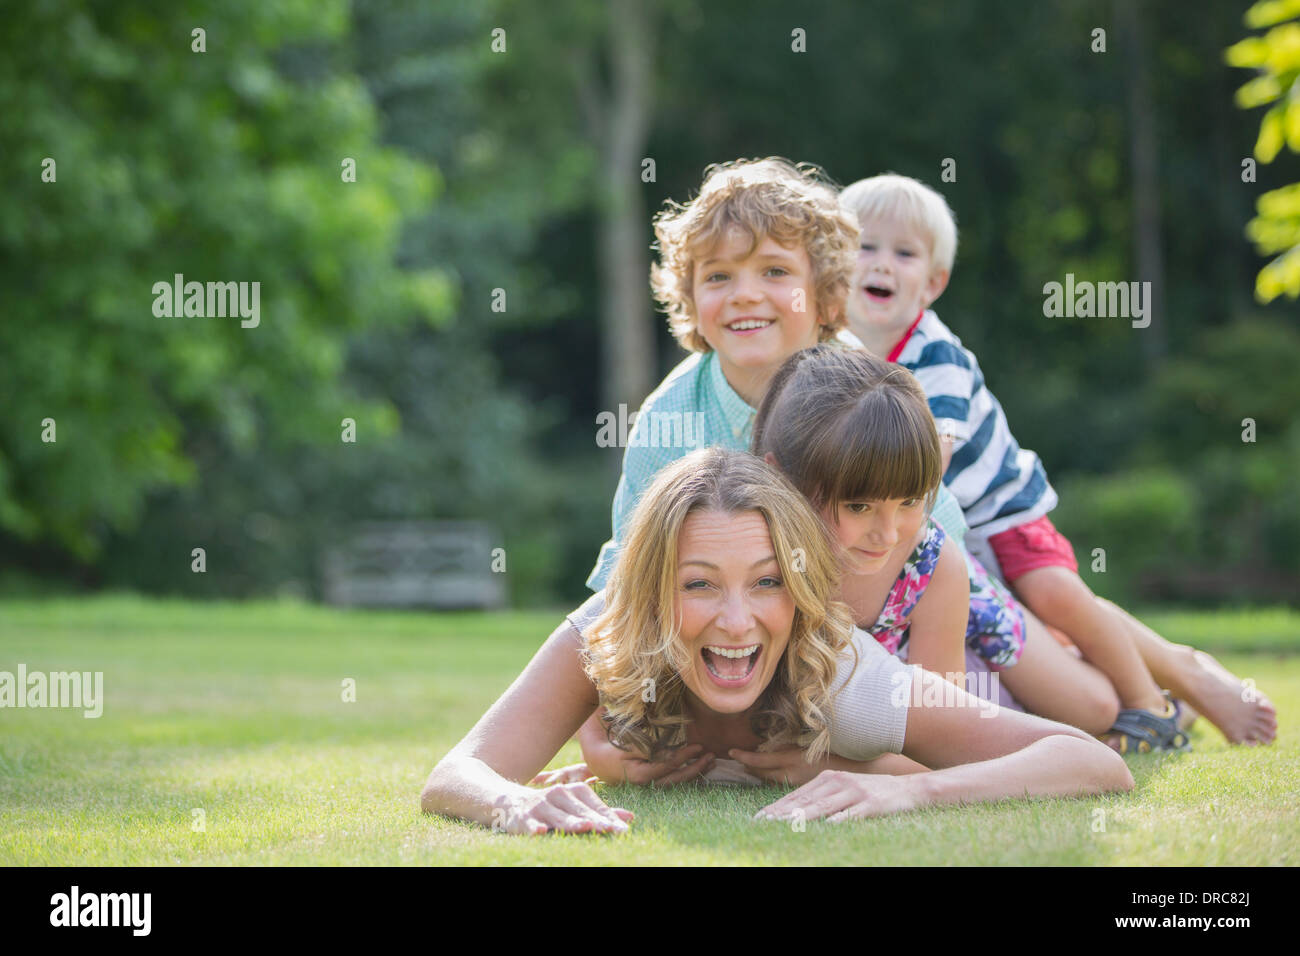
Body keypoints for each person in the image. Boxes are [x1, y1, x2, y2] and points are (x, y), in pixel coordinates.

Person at [420, 448, 1133, 834]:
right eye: (699, 585)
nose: (737, 621)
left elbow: (1090, 762)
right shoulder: (605, 631)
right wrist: (514, 804)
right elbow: (457, 775)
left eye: (766, 584)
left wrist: (907, 794)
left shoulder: (850, 677)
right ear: (646, 594)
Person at [837, 172, 1277, 749]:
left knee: (1056, 598)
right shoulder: (840, 352)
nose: (881, 265)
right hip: (945, 534)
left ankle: (1153, 706)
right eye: (866, 247)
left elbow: (928, 458)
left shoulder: (934, 353)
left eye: (904, 253)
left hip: (1002, 512)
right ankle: (1174, 676)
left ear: (934, 283)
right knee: (1047, 635)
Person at [585, 157, 971, 595]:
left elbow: (941, 532)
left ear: (825, 291)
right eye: (718, 276)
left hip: (889, 617)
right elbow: (630, 574)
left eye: (775, 271)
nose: (745, 294)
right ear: (690, 297)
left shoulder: (866, 388)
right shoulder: (668, 419)